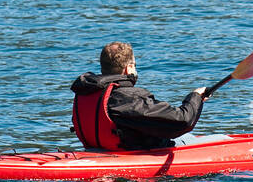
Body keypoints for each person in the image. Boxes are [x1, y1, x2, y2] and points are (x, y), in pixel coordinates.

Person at [70, 42, 208, 150]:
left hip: (98, 149)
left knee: (190, 138)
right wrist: (196, 97)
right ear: (128, 68)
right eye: (134, 66)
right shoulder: (128, 98)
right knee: (223, 139)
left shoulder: (87, 91)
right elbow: (182, 121)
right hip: (138, 152)